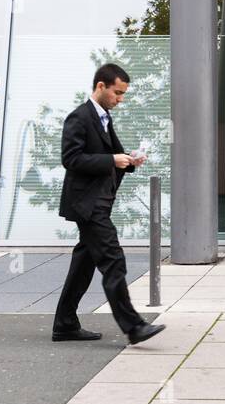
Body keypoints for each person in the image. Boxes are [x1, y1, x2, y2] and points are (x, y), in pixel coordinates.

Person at [52, 63, 165, 345]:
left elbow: (109, 156)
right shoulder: (79, 118)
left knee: (83, 264)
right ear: (100, 86)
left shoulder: (103, 118)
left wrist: (128, 160)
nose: (120, 99)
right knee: (113, 261)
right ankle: (133, 326)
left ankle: (65, 324)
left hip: (99, 202)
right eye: (117, 93)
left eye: (123, 94)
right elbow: (72, 159)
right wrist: (112, 159)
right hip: (87, 206)